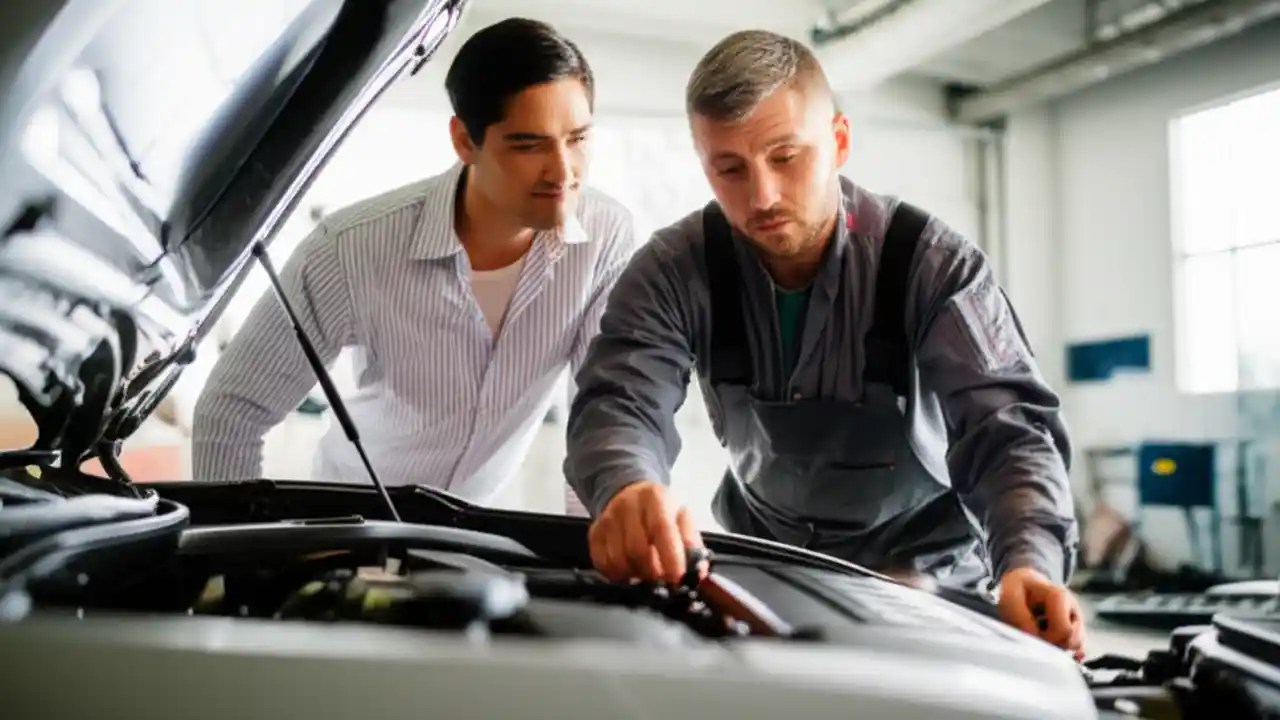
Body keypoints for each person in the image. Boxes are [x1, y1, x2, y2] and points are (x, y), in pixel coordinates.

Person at [564, 29, 1085, 656]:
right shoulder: (675, 269)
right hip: (771, 572)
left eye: (785, 156)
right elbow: (620, 398)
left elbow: (1006, 428)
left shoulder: (931, 265)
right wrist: (627, 484)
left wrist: (1028, 557)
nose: (762, 196)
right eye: (729, 169)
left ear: (838, 140)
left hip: (932, 583)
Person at [193, 18, 633, 514]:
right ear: (465, 141)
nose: (563, 171)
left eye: (577, 139)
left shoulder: (606, 239)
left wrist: (593, 565)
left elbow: (601, 422)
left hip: (475, 537)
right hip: (351, 523)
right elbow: (231, 412)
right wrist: (234, 565)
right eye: (528, 145)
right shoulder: (348, 248)